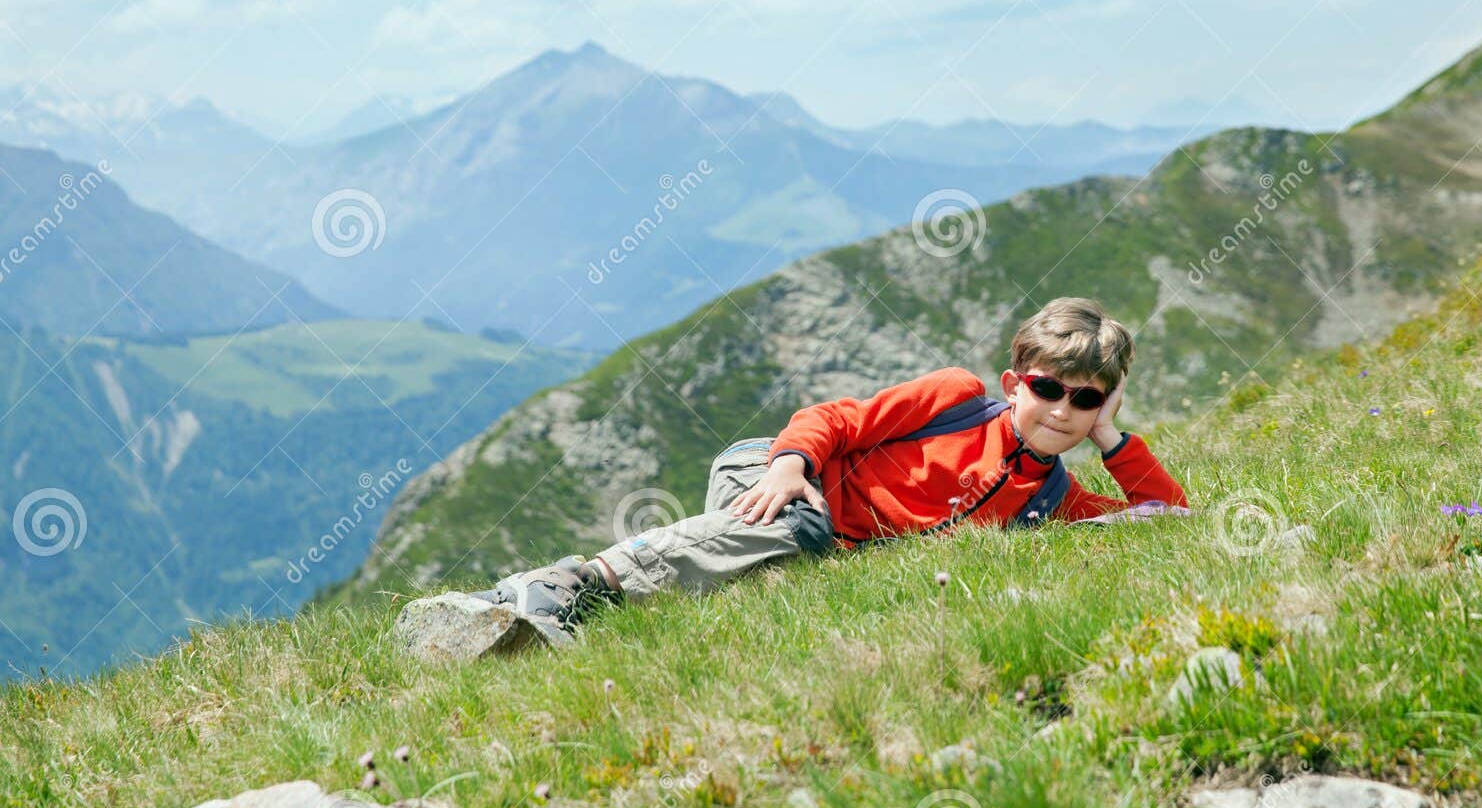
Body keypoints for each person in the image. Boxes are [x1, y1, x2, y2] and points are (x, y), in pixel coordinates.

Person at [418, 297, 1188, 650]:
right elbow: (836, 419)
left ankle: (525, 620)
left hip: (809, 542)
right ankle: (566, 582)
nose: (1061, 409)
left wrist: (1115, 434)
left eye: (1084, 399)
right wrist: (791, 468)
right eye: (1048, 388)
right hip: (782, 475)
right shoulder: (957, 398)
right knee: (796, 531)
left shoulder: (1050, 499)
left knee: (767, 578)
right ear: (1015, 379)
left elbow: (1167, 517)